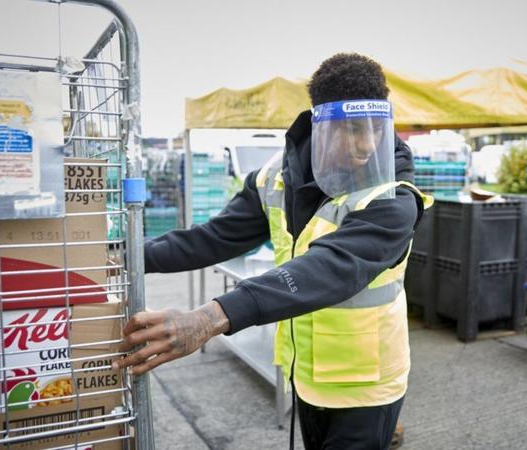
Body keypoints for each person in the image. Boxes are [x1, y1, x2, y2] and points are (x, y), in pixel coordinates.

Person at [113, 53, 431, 450]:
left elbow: (332, 267)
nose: (368, 145)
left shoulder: (395, 196)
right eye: (352, 129)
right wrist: (127, 255)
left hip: (367, 385)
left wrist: (211, 317)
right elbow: (213, 238)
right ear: (321, 124)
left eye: (376, 129)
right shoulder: (275, 178)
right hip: (307, 375)